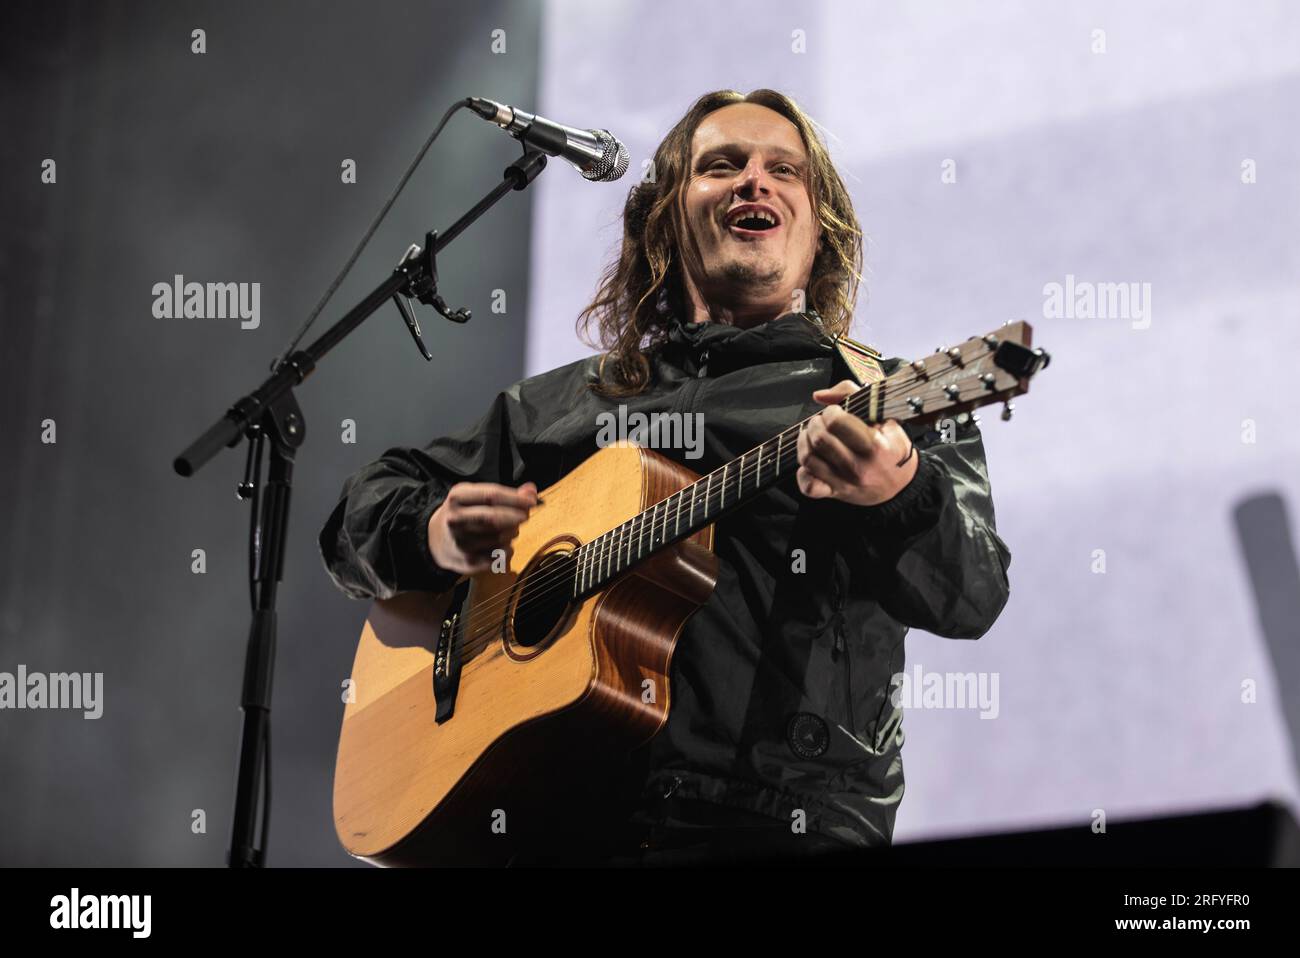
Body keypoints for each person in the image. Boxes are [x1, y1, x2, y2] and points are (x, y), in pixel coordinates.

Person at [319, 88, 1011, 866]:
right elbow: (362, 510)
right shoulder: (569, 404)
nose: (756, 181)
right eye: (722, 166)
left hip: (779, 824)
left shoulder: (879, 401)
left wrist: (899, 491)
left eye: (785, 171)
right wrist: (432, 532)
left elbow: (973, 594)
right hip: (564, 824)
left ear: (820, 233)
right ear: (667, 220)